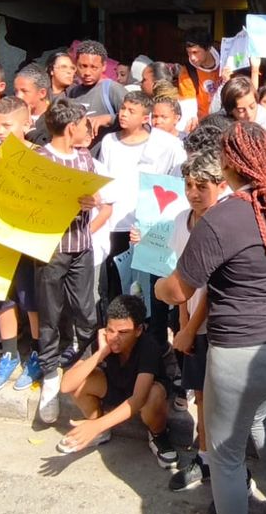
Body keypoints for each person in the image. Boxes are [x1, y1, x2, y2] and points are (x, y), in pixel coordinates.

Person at [156, 121, 266, 514]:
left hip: (245, 354)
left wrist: (161, 284)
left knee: (225, 453)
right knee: (261, 419)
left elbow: (179, 290)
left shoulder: (222, 218)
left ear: (229, 165)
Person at [30, 98, 112, 418]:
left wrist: (92, 202)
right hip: (50, 250)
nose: (86, 130)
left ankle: (88, 369)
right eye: (83, 125)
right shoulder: (39, 159)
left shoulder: (85, 158)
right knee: (50, 314)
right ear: (70, 128)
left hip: (81, 245)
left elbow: (100, 201)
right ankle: (50, 375)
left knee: (86, 312)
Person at [97, 91, 186, 336]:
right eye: (123, 108)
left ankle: (150, 337)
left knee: (149, 290)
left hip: (150, 230)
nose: (123, 114)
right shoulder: (109, 142)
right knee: (118, 284)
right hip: (115, 226)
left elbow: (178, 183)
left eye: (131, 111)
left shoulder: (166, 145)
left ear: (145, 117)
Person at [167, 150, 230, 491]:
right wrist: (182, 322)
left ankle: (222, 464)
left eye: (201, 186)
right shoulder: (181, 221)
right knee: (201, 395)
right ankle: (205, 458)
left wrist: (191, 329)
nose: (193, 192)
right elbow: (181, 276)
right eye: (188, 184)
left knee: (217, 398)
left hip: (217, 324)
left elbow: (214, 286)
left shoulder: (221, 224)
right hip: (191, 322)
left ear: (219, 185)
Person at [56, 295, 179, 467]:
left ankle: (158, 435)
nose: (114, 337)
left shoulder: (148, 346)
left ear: (138, 330)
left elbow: (138, 400)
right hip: (115, 386)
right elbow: (66, 385)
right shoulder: (103, 339)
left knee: (154, 394)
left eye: (123, 332)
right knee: (80, 382)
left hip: (142, 396)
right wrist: (101, 354)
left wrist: (96, 426)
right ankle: (99, 430)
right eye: (111, 330)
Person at [0, 97, 44, 392]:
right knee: (2, 297)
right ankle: (8, 353)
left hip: (30, 241)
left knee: (30, 299)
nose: (1, 131)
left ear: (27, 123)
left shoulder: (42, 155)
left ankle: (35, 354)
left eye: (8, 125)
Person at [220, 76, 266, 181]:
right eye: (241, 110)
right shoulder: (223, 123)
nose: (249, 114)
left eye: (252, 106)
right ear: (230, 110)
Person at [66, 40, 127, 141]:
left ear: (104, 67)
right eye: (83, 66)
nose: (87, 72)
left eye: (94, 67)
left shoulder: (112, 89)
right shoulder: (73, 92)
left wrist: (108, 119)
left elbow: (136, 118)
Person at [178, 29, 224, 121]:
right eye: (189, 53)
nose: (192, 58)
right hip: (203, 123)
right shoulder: (188, 71)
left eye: (195, 52)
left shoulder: (226, 61)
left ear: (208, 48)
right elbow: (188, 108)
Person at [13, 63, 52, 129]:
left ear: (42, 93)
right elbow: (8, 139)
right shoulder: (12, 116)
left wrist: (30, 130)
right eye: (16, 91)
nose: (18, 96)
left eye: (24, 91)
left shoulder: (54, 118)